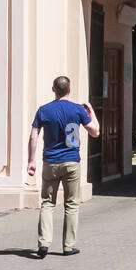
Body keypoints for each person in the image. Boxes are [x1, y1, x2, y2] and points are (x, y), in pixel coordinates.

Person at [27, 75, 99, 258]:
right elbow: (95, 132)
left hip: (50, 162)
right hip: (71, 162)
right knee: (72, 205)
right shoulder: (77, 110)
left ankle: (43, 244)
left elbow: (34, 136)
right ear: (69, 90)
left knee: (47, 203)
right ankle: (68, 246)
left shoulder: (44, 111)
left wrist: (31, 161)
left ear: (53, 89)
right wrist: (91, 111)